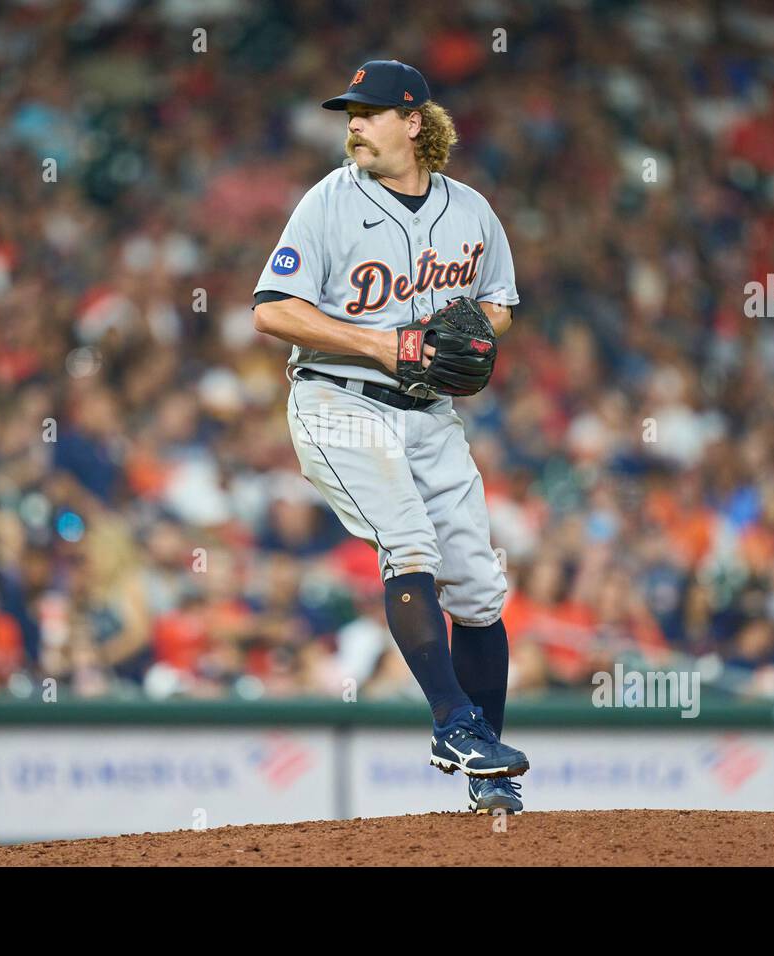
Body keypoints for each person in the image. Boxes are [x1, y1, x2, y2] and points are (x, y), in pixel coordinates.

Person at [253, 60, 527, 813]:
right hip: (338, 400)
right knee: (410, 546)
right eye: (350, 112)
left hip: (429, 413)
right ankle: (452, 722)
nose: (354, 124)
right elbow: (272, 311)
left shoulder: (471, 211)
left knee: (476, 587)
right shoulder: (329, 202)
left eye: (369, 112)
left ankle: (488, 772)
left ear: (413, 122)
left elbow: (497, 306)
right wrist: (380, 345)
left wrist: (470, 338)